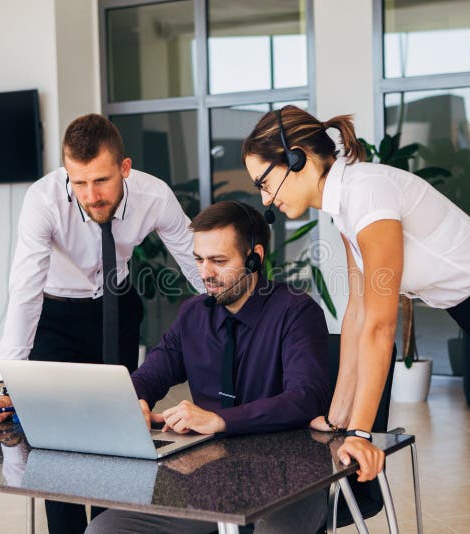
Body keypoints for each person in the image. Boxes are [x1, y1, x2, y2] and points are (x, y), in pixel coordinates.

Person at [240, 105, 470, 534]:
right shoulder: (348, 205)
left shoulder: (366, 195)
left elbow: (380, 326)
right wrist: (336, 421)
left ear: (296, 157)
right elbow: (357, 315)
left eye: (264, 182)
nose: (264, 198)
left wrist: (362, 433)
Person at [0, 113, 203, 534]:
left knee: (119, 433)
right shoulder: (44, 200)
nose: (91, 195)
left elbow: (198, 266)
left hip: (119, 310)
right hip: (57, 316)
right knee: (58, 446)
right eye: (79, 182)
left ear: (124, 169)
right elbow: (24, 294)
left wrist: (245, 313)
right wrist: (6, 386)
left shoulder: (155, 196)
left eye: (102, 181)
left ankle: (112, 528)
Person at [86, 201, 331, 534]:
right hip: (207, 478)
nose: (205, 273)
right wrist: (137, 400)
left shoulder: (297, 312)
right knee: (105, 530)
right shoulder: (194, 313)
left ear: (254, 256)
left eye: (218, 261)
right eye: (199, 259)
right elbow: (150, 375)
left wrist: (219, 420)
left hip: (290, 477)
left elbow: (305, 398)